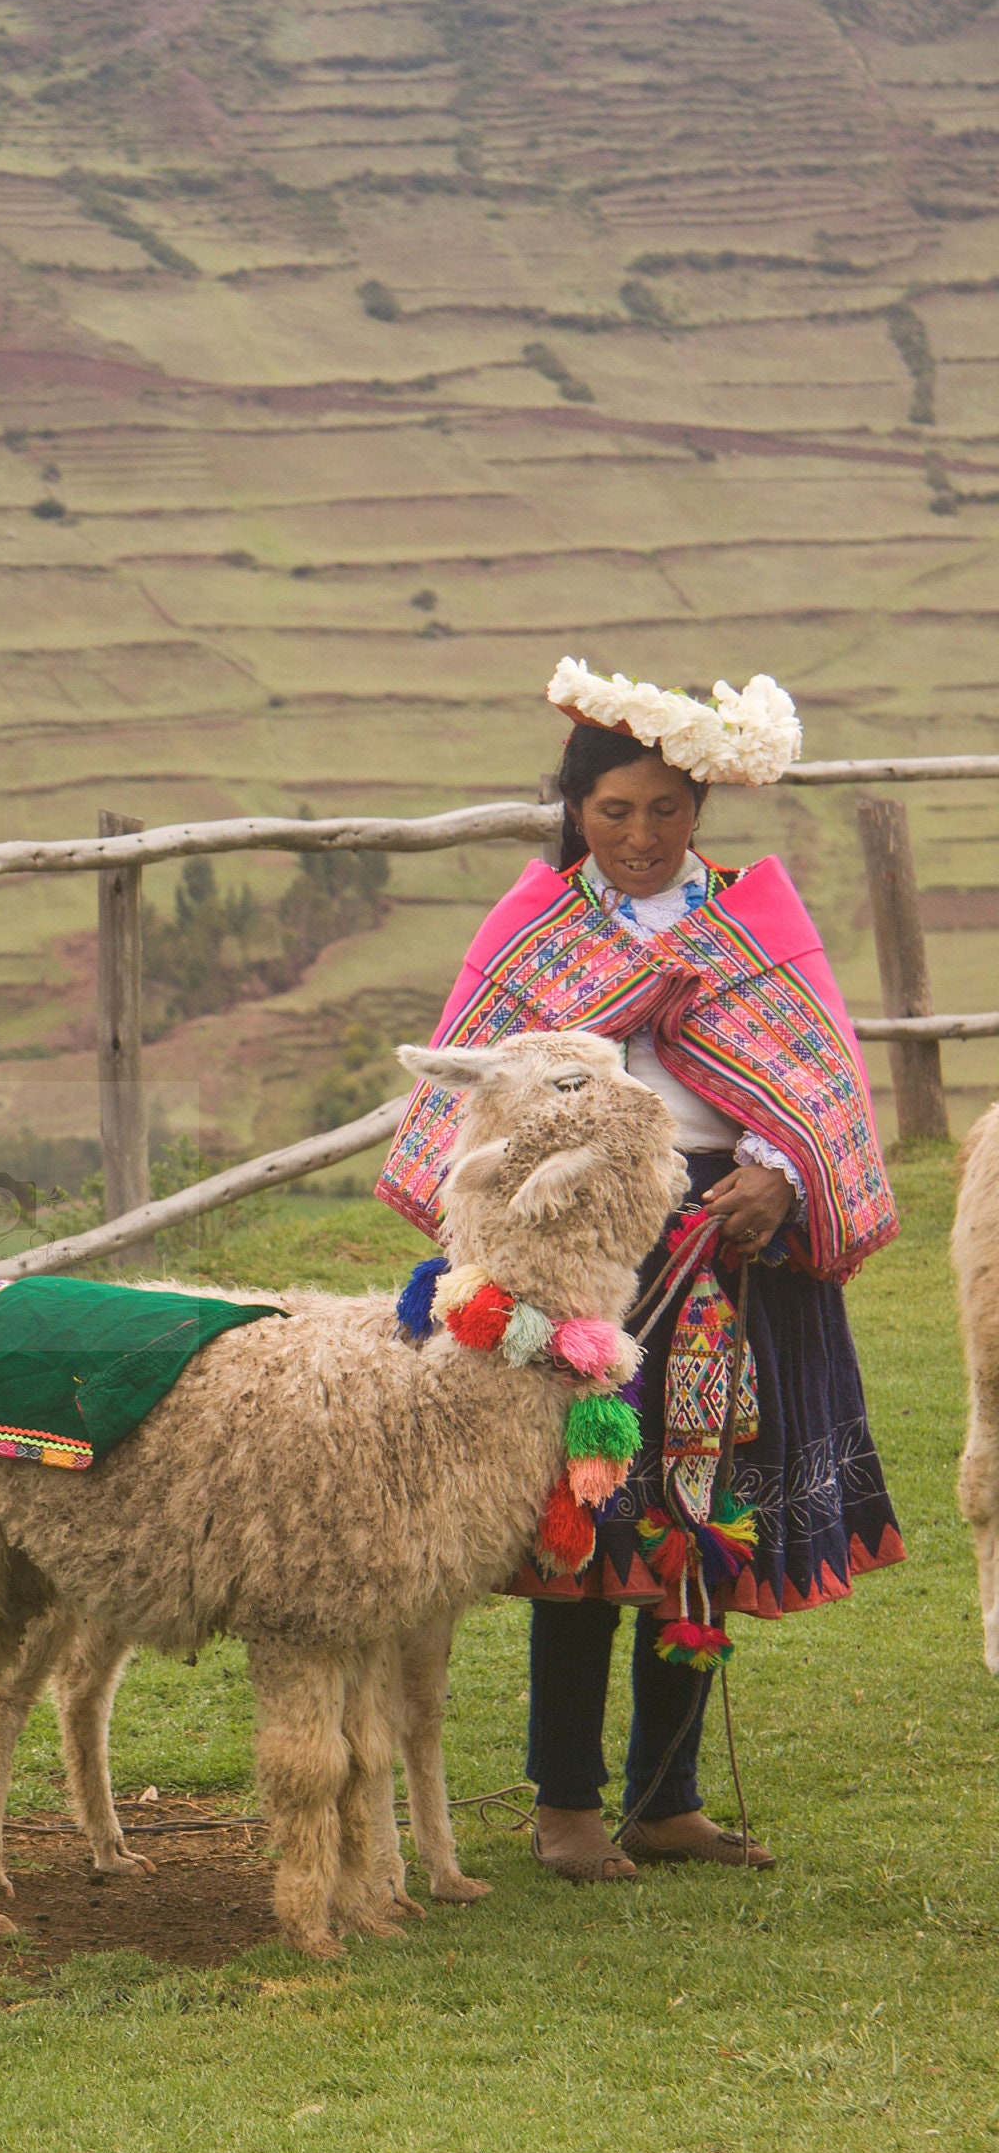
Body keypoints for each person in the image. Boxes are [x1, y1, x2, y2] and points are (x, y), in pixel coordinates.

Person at [379, 656, 904, 1881]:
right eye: (612, 812)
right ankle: (564, 1803)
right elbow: (475, 1103)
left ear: (698, 813)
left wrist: (777, 1169)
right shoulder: (539, 932)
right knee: (585, 1515)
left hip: (727, 1254)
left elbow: (816, 1080)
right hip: (583, 1266)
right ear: (575, 813)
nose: (639, 836)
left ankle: (664, 1798)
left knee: (697, 1518)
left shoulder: (750, 923)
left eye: (664, 811)